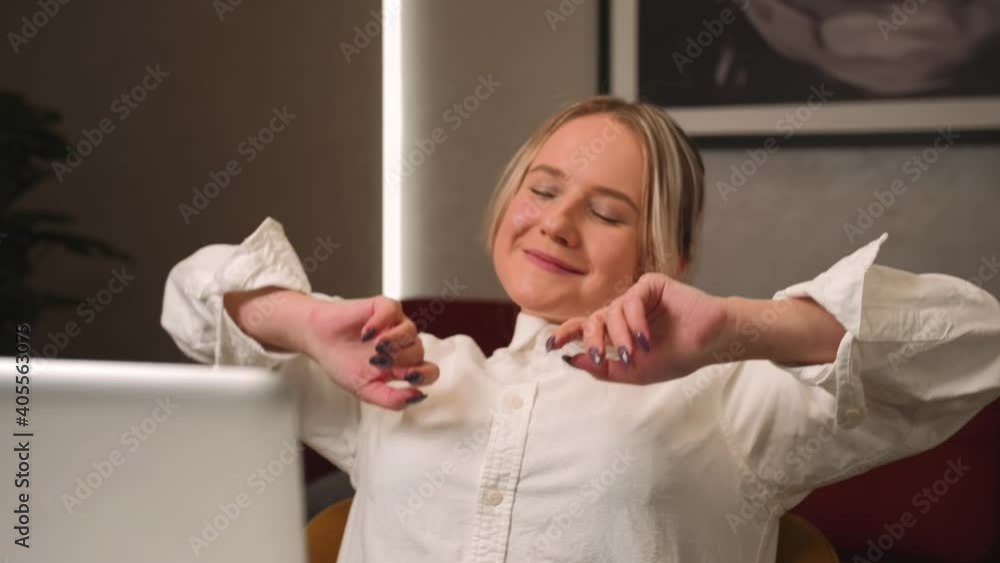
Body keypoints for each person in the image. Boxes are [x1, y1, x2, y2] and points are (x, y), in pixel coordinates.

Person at [161, 96, 1000, 562]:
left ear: (662, 252)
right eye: (542, 189)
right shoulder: (398, 374)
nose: (555, 224)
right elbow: (196, 301)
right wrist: (307, 324)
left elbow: (971, 345)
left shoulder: (733, 397)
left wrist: (738, 330)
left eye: (605, 212)